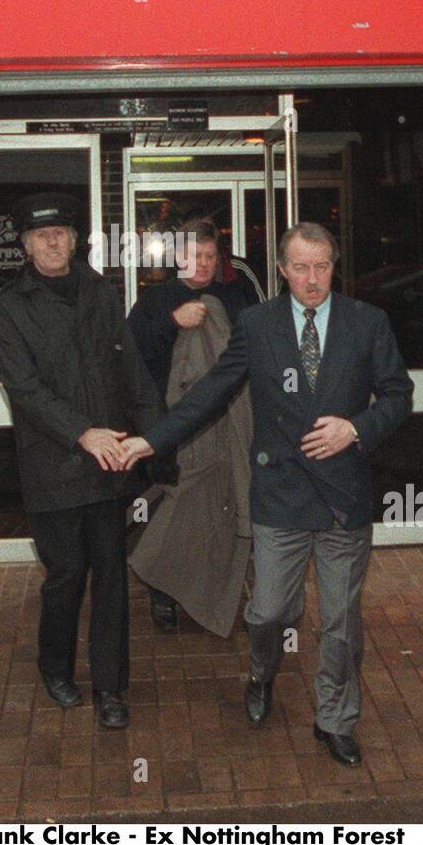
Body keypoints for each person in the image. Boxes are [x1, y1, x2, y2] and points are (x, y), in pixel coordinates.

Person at [120, 221, 414, 766]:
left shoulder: (367, 322)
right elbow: (210, 392)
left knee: (340, 622)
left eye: (322, 267)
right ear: (281, 270)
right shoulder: (257, 324)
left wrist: (356, 428)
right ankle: (262, 673)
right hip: (279, 492)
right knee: (268, 611)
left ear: (334, 266)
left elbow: (398, 395)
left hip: (343, 496)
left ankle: (336, 719)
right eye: (300, 268)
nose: (312, 279)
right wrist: (152, 439)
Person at [0, 192, 161, 730]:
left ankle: (111, 686)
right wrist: (81, 433)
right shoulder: (10, 306)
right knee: (66, 574)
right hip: (53, 466)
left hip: (109, 465)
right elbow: (24, 389)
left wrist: (157, 437)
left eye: (60, 233)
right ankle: (55, 667)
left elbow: (130, 369)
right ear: (25, 245)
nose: (52, 242)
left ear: (74, 239)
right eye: (41, 235)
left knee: (111, 576)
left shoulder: (100, 292)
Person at [127, 218, 259, 630]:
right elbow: (129, 357)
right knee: (178, 503)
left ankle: (210, 592)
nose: (202, 263)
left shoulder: (235, 297)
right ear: (176, 256)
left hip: (228, 422)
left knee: (221, 507)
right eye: (193, 255)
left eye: (209, 256)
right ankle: (162, 588)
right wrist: (172, 322)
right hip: (173, 426)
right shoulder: (155, 300)